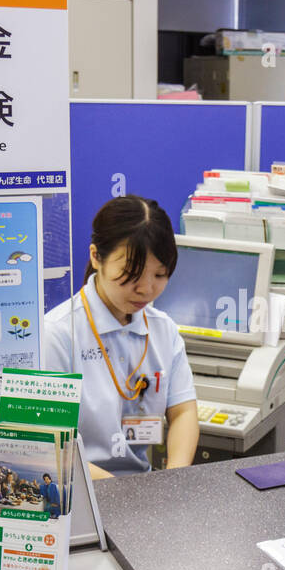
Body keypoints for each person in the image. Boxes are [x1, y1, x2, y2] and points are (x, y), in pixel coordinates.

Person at [44, 195, 198, 478]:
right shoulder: (56, 333)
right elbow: (44, 444)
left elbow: (184, 412)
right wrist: (122, 493)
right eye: (131, 275)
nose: (147, 289)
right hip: (75, 494)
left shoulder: (163, 330)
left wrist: (174, 479)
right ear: (96, 257)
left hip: (141, 492)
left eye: (160, 275)